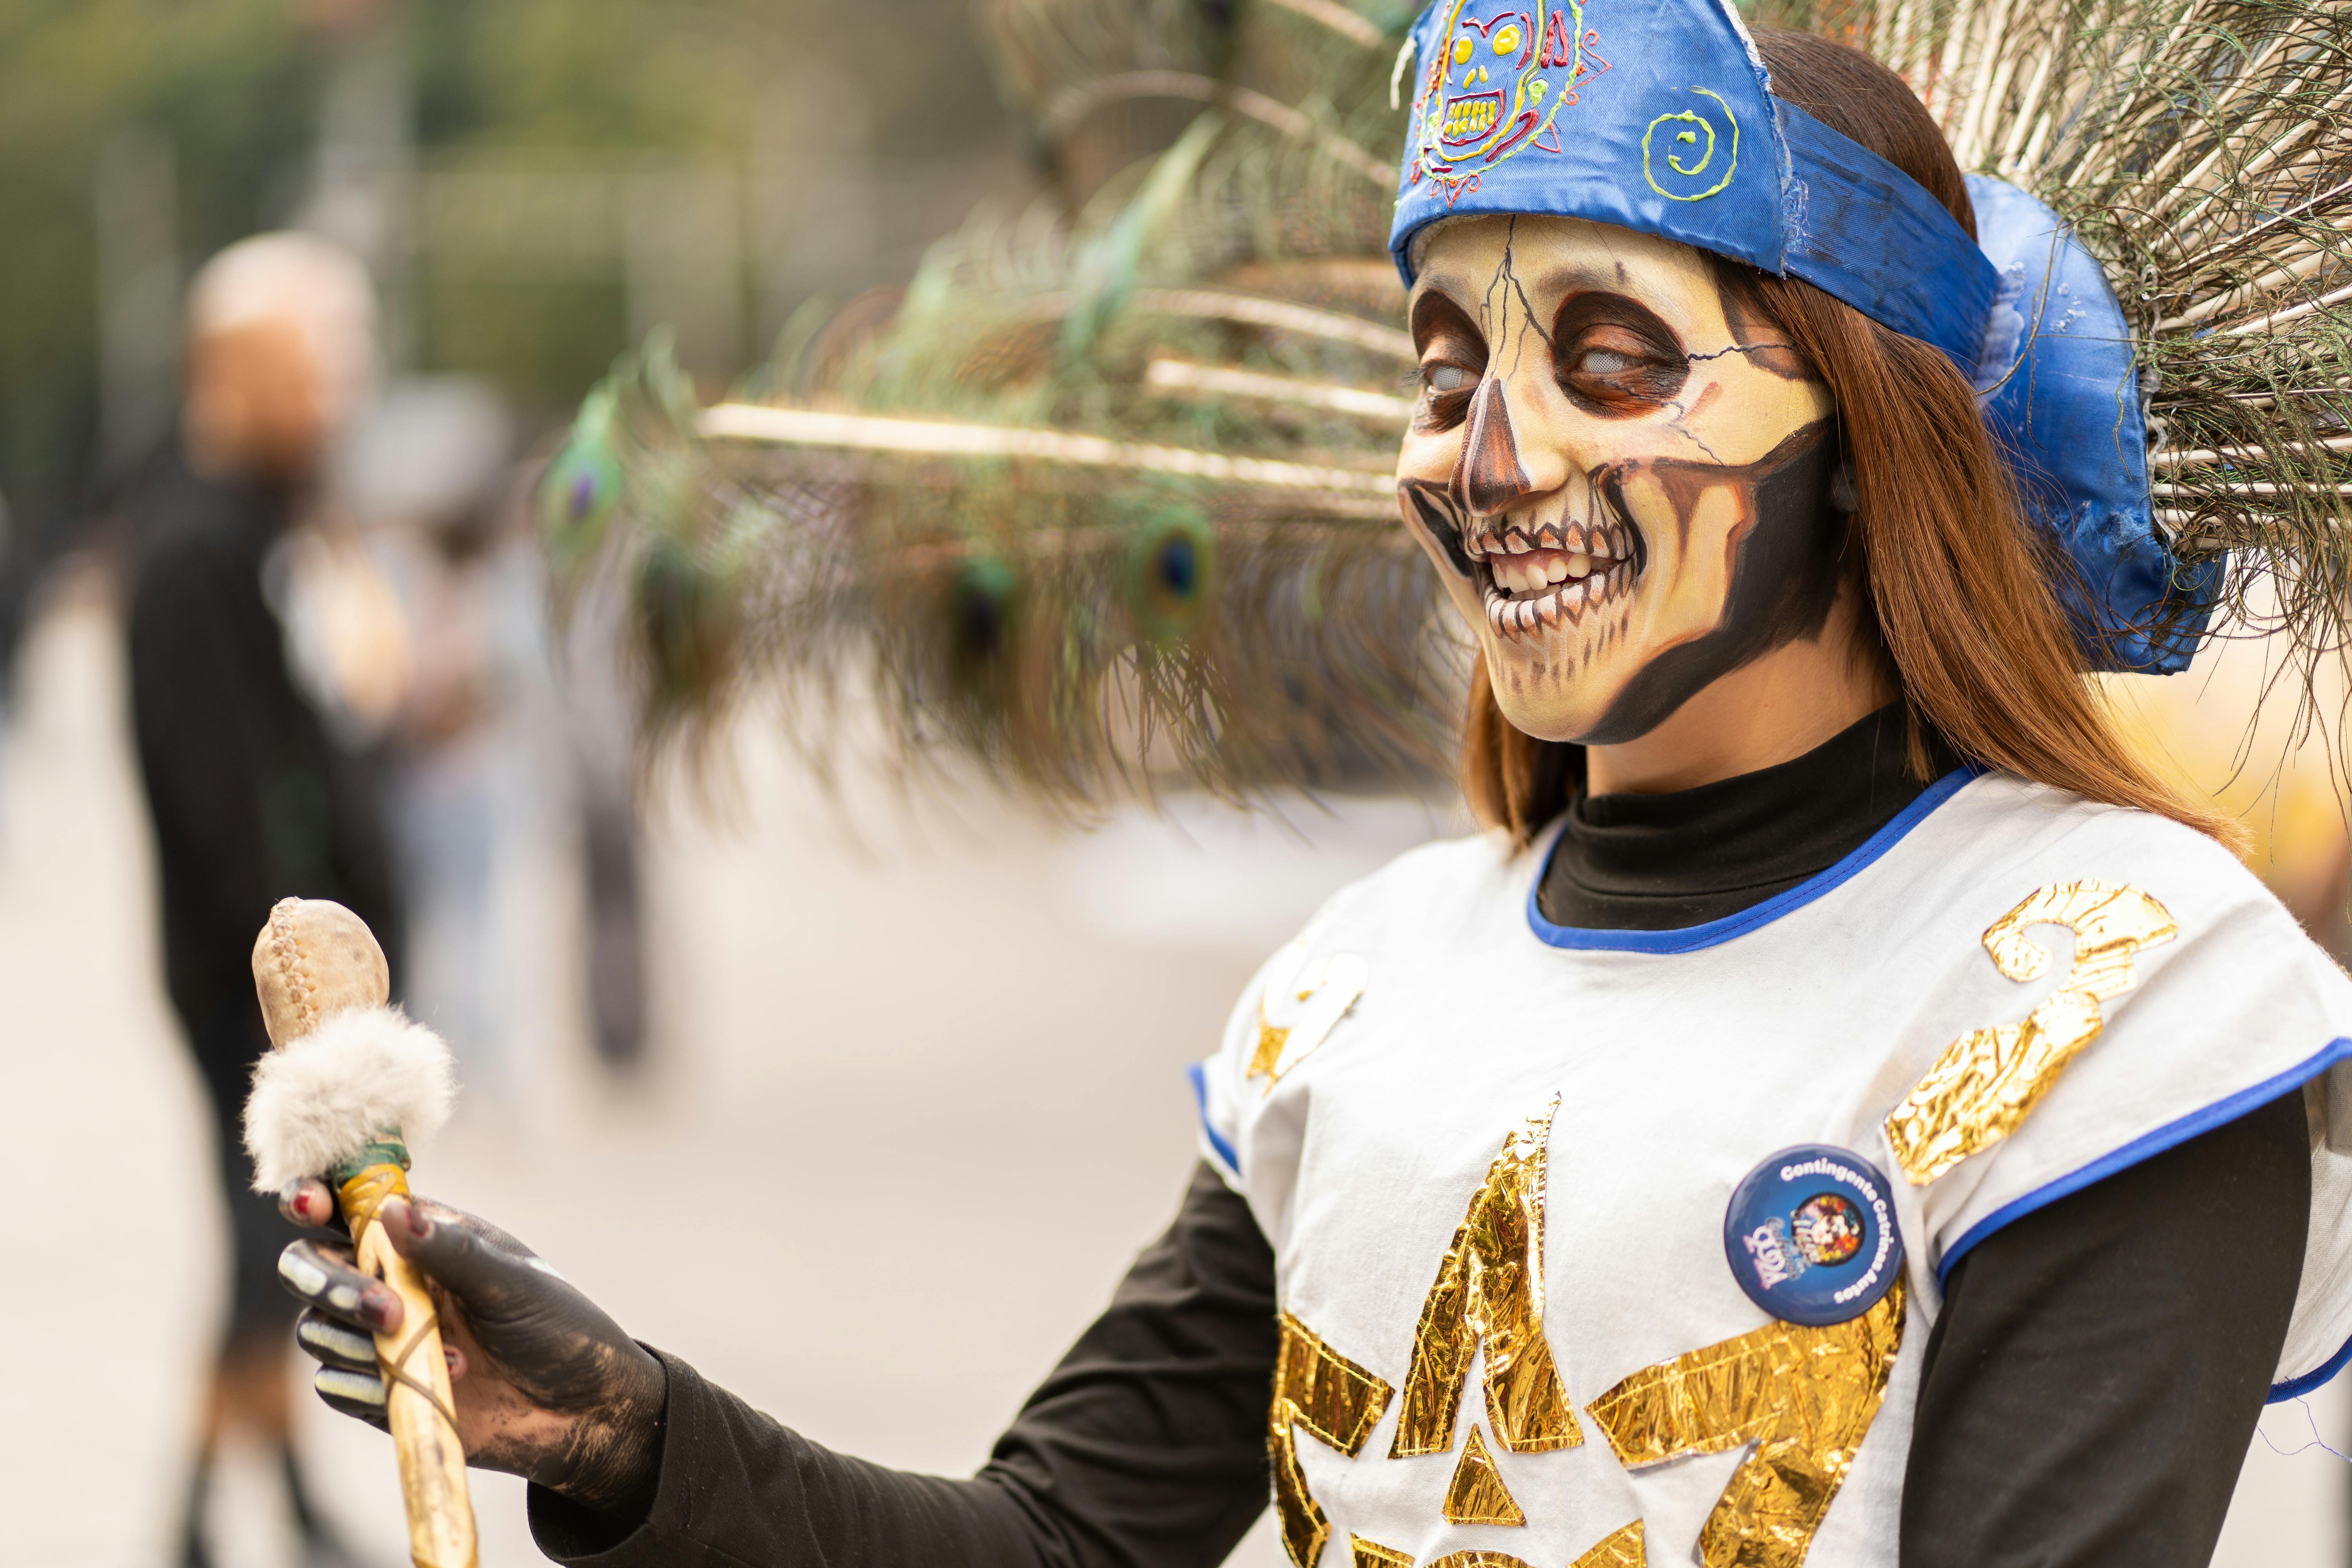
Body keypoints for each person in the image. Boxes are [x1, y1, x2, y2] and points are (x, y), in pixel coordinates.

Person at [271, 22, 2352, 1568]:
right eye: (1446, 370)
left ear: (1871, 432)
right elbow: (1064, 1543)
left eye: (1614, 358)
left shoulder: (2115, 1005)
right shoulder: (1367, 988)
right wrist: (632, 1427)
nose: (1489, 455)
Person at [126, 231, 403, 1568]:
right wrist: (305, 991)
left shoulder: (268, 535)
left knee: (271, 1242)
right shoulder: (190, 553)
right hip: (252, 982)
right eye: (312, 374)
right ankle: (201, 1505)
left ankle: (258, 1495)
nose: (333, 403)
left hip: (288, 977)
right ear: (237, 378)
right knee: (265, 1243)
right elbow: (228, 803)